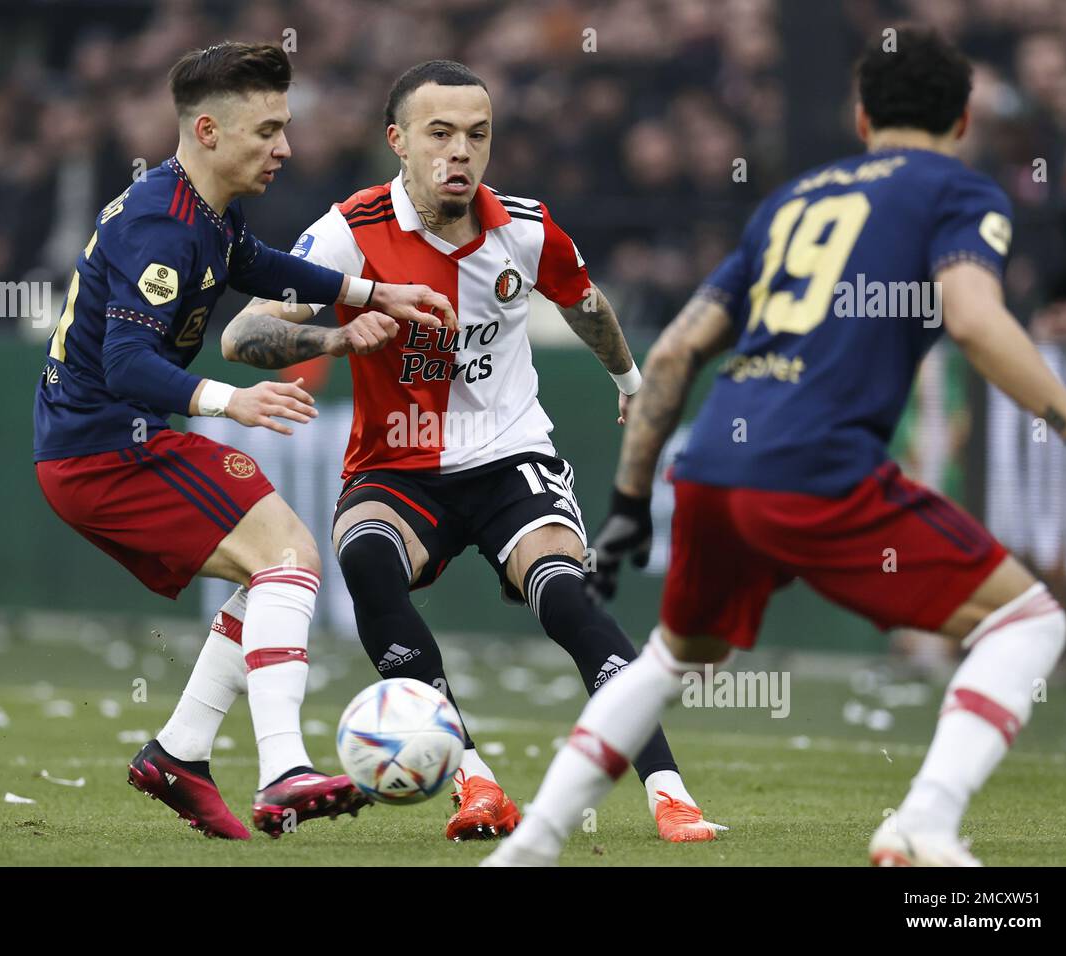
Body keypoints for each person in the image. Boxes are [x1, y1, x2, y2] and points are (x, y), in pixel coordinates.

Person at [485, 27, 1066, 867]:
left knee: (670, 659)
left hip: (712, 468)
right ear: (960, 120)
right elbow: (978, 320)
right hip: (820, 469)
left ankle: (531, 846)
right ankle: (926, 821)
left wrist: (628, 502)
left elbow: (671, 354)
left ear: (861, 116)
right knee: (1028, 620)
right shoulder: (958, 189)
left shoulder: (791, 202)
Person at [218, 60, 720, 844]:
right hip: (397, 466)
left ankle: (670, 793)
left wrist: (627, 376)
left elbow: (584, 302)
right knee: (367, 562)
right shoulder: (349, 231)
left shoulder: (526, 227)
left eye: (477, 136)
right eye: (440, 134)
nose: (460, 152)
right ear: (399, 142)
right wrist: (340, 334)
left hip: (509, 456)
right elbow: (243, 333)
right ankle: (475, 783)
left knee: (566, 598)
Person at [32, 42, 455, 840]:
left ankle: (181, 752)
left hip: (106, 444)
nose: (284, 148)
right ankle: (283, 769)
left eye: (285, 128)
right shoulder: (161, 225)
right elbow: (126, 362)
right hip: (106, 449)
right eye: (267, 130)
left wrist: (370, 290)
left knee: (274, 570)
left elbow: (255, 264)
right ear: (208, 130)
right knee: (290, 556)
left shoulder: (200, 208)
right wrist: (232, 400)